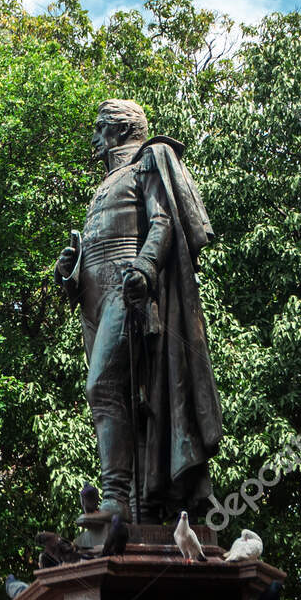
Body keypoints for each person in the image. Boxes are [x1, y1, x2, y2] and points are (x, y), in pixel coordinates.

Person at [54, 99, 222, 523]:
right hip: (92, 299)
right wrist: (70, 267)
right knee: (133, 402)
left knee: (103, 387)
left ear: (122, 130)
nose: (94, 137)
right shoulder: (105, 184)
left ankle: (114, 497)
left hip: (125, 292)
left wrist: (146, 267)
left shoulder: (147, 163)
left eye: (99, 128)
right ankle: (137, 505)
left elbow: (162, 220)